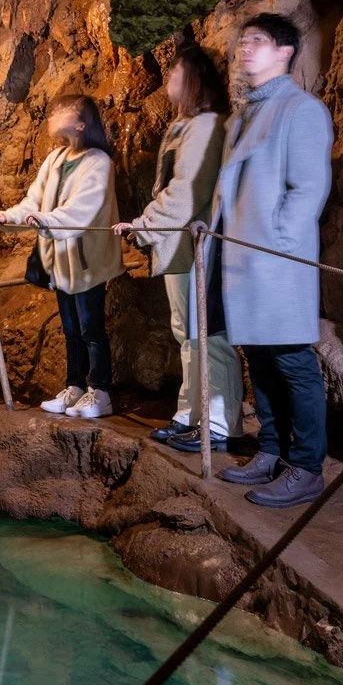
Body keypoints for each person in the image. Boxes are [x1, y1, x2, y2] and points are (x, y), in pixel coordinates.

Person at [208, 13, 334, 508]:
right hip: (244, 256)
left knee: (293, 362)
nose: (244, 49)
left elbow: (308, 189)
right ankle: (271, 450)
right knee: (258, 359)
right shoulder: (241, 117)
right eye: (242, 42)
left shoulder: (300, 110)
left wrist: (277, 245)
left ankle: (306, 467)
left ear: (285, 51)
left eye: (256, 41)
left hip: (275, 259)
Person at [112, 47, 241, 453]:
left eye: (175, 71)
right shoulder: (186, 126)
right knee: (188, 334)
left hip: (198, 244)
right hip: (180, 244)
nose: (168, 76)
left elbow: (187, 191)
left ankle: (220, 424)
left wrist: (145, 225)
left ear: (195, 79)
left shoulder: (206, 125)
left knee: (208, 335)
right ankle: (191, 415)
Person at [0, 94, 124, 418]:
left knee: (91, 328)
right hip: (59, 261)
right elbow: (34, 201)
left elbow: (82, 210)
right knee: (70, 329)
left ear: (81, 124)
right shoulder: (55, 160)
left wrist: (47, 221)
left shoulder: (98, 162)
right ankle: (75, 387)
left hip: (86, 260)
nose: (53, 115)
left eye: (62, 111)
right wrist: (9, 217)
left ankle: (101, 392)